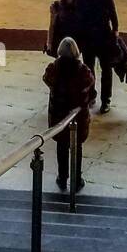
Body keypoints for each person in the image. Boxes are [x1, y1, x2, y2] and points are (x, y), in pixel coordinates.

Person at [43, 38, 96, 192]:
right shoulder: (83, 71)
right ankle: (77, 179)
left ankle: (62, 177)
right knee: (77, 147)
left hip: (59, 114)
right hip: (77, 116)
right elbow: (90, 86)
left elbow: (47, 80)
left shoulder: (54, 68)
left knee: (61, 146)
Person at [73, 0, 118, 114]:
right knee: (89, 67)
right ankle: (92, 95)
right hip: (87, 36)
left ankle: (106, 99)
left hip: (102, 33)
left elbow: (111, 8)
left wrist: (115, 28)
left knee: (106, 67)